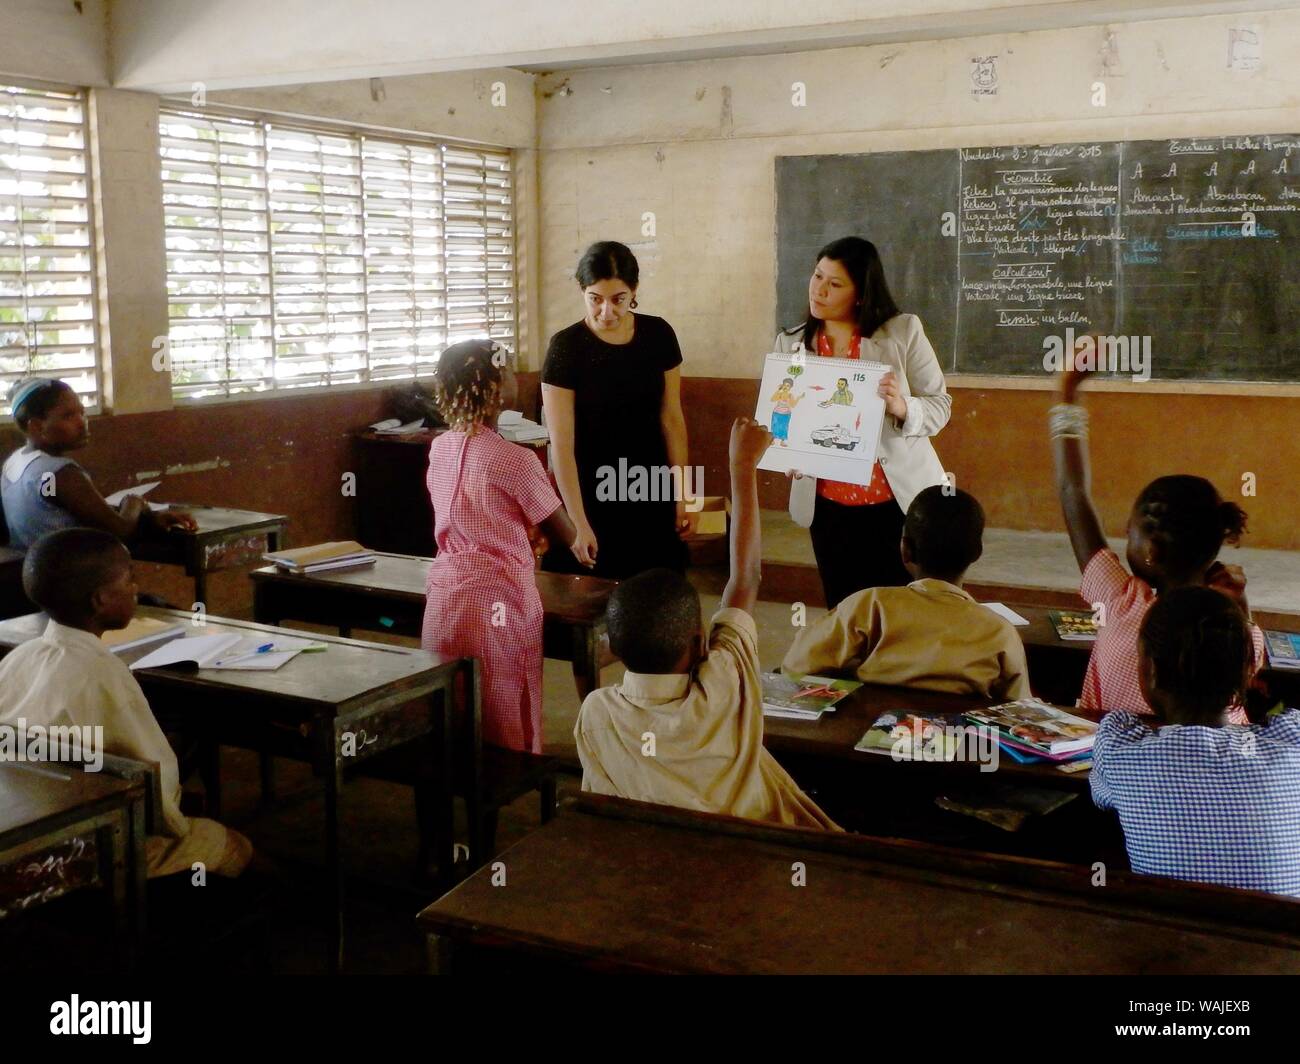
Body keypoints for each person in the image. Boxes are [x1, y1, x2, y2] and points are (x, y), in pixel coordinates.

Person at [574, 416, 838, 830]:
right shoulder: (723, 679)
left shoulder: (597, 712)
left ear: (617, 649)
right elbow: (745, 578)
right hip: (756, 855)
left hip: (655, 863)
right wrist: (741, 467)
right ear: (700, 644)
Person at [0, 528, 251, 878]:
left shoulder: (18, 658)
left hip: (36, 820)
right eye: (129, 578)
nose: (136, 587)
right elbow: (152, 777)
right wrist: (181, 826)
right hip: (99, 842)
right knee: (236, 845)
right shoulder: (104, 673)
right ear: (100, 600)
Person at [1050, 356, 1265, 723]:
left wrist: (1068, 392)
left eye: (1129, 530)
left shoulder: (1122, 602)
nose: (1123, 535)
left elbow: (1073, 492)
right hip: (1219, 772)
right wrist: (1240, 605)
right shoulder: (1232, 629)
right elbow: (1248, 664)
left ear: (1151, 550)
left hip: (1116, 771)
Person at [774, 237, 951, 608]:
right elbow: (781, 418)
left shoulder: (902, 332)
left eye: (834, 284)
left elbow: (940, 406)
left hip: (896, 503)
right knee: (844, 610)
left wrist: (903, 407)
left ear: (860, 293)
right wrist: (786, 450)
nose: (819, 290)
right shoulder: (790, 344)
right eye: (817, 276)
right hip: (827, 508)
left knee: (902, 612)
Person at [423, 339, 580, 753]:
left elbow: (475, 515)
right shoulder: (517, 459)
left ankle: (454, 774)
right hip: (499, 600)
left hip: (446, 597)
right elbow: (566, 532)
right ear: (495, 390)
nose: (516, 376)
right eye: (508, 369)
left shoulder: (440, 448)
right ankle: (508, 776)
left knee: (453, 700)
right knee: (504, 697)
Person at [1091, 586, 1300, 897]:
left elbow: (1101, 796)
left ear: (1150, 670)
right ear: (1247, 672)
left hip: (1168, 939)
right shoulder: (1292, 746)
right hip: (1279, 941)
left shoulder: (1119, 751)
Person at [782, 485, 1030, 700]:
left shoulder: (869, 606)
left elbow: (795, 664)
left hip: (865, 747)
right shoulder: (998, 632)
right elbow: (1018, 708)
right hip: (958, 752)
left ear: (905, 550)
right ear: (977, 553)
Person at [541, 241, 691, 579]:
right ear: (583, 292)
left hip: (650, 483)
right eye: (595, 299)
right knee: (597, 592)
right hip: (590, 491)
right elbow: (561, 446)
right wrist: (577, 521)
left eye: (618, 299)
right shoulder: (566, 348)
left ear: (634, 291)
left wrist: (684, 496)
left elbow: (672, 419)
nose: (606, 312)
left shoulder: (659, 334)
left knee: (656, 591)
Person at [2, 378, 195, 549]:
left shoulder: (17, 462)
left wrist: (151, 519)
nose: (82, 423)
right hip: (72, 577)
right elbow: (120, 530)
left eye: (82, 413)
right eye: (68, 416)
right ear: (36, 426)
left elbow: (59, 507)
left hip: (32, 575)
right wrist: (133, 502)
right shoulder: (60, 474)